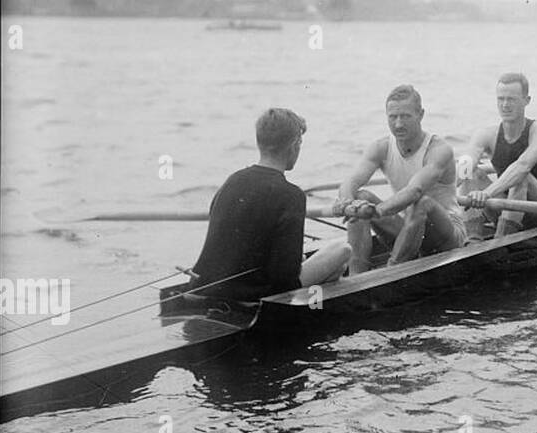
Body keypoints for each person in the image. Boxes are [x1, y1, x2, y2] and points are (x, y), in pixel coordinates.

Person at [190, 108, 352, 300]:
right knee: (343, 251)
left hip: (206, 285)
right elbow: (285, 276)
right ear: (295, 145)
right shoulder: (291, 195)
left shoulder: (232, 181)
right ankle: (316, 310)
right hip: (258, 294)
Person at [334, 85, 468, 274]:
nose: (398, 124)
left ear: (421, 115)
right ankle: (357, 276)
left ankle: (392, 271)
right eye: (393, 117)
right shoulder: (380, 147)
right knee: (360, 196)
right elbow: (351, 181)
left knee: (421, 202)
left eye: (405, 116)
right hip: (410, 227)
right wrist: (348, 203)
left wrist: (378, 210)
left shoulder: (439, 150)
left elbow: (415, 191)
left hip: (448, 235)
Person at [460, 72, 537, 237]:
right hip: (505, 206)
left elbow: (522, 166)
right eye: (501, 99)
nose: (505, 105)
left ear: (527, 100)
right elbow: (465, 163)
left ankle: (501, 240)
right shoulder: (486, 134)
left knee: (521, 177)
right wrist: (440, 185)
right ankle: (472, 240)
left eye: (511, 99)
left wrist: (486, 193)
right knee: (471, 173)